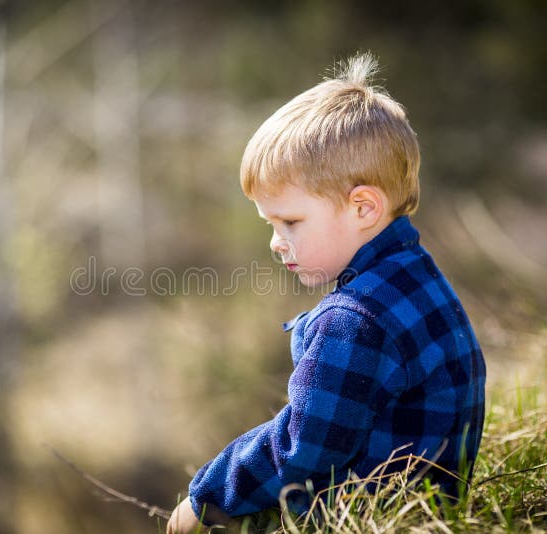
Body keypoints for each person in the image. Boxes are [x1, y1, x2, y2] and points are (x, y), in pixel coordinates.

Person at [167, 53, 486, 534]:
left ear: (362, 207)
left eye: (290, 222)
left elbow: (302, 447)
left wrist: (206, 499)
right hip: (427, 513)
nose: (276, 242)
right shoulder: (415, 275)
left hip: (373, 522)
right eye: (271, 224)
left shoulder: (358, 321)